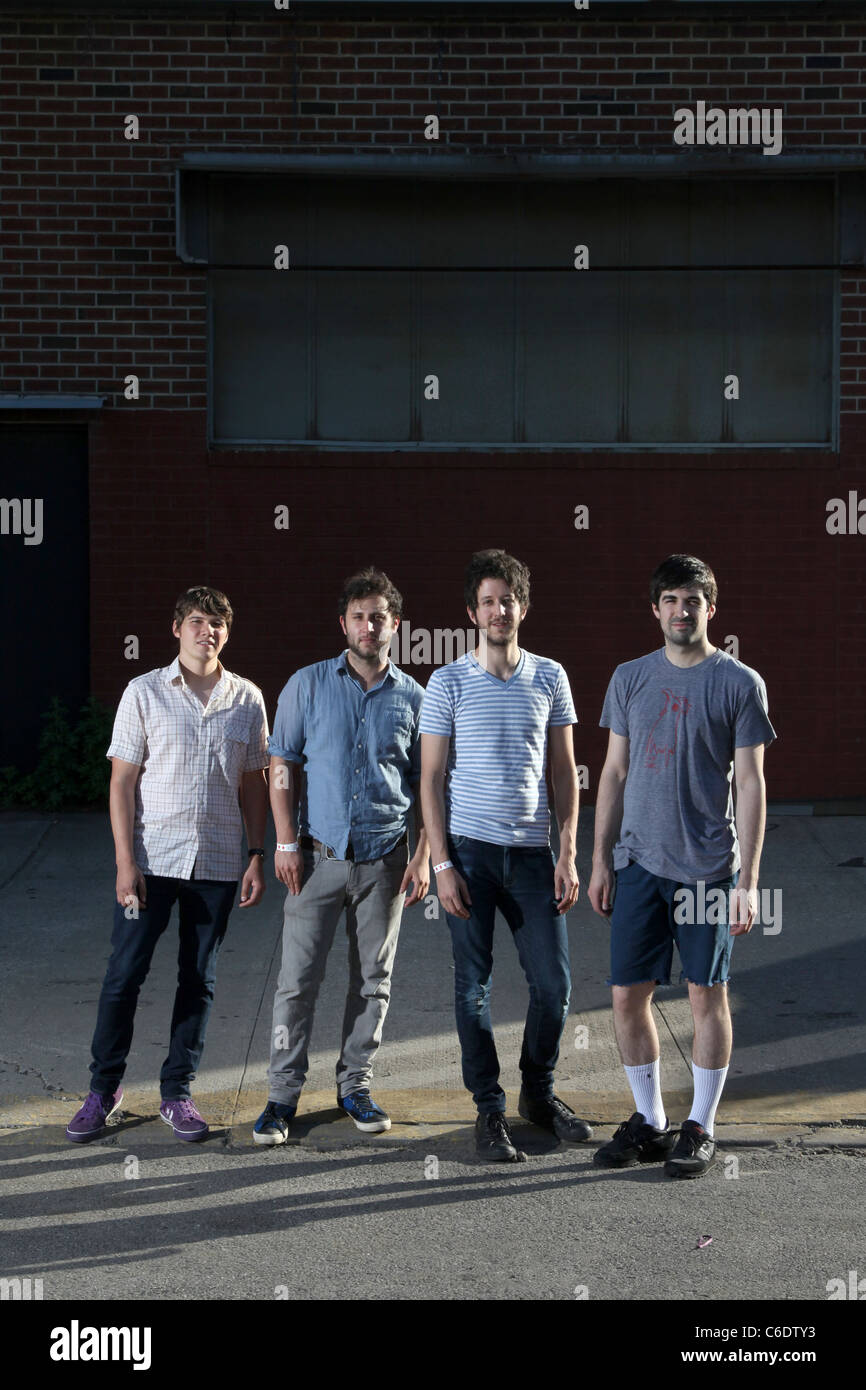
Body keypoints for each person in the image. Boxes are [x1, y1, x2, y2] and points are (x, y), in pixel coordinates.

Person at [589, 554, 776, 1178]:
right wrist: (600, 860)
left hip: (708, 870)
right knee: (625, 997)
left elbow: (750, 784)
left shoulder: (739, 683)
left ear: (710, 608)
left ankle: (701, 1125)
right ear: (655, 610)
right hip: (639, 864)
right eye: (670, 600)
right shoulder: (629, 678)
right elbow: (612, 773)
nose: (680, 611)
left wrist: (748, 882)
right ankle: (650, 1120)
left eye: (692, 600)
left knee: (706, 995)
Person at [67, 586, 269, 1144]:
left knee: (197, 979)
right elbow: (122, 782)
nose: (209, 632)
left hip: (219, 863)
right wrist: (124, 862)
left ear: (227, 633)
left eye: (219, 624)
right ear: (177, 628)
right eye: (199, 622)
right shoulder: (145, 692)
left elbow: (254, 785)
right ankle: (103, 1089)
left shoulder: (247, 698)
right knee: (123, 976)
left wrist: (257, 854)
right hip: (152, 864)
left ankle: (177, 1093)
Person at [419, 548, 592, 1162]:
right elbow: (432, 778)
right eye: (488, 601)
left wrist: (568, 853)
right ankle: (489, 1109)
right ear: (472, 612)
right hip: (469, 855)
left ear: (524, 606)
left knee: (554, 985)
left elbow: (565, 774)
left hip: (531, 855)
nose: (499, 610)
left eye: (508, 600)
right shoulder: (447, 682)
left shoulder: (550, 676)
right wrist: (440, 864)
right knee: (473, 988)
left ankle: (537, 1095)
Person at [254, 567, 429, 1144]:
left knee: (372, 981)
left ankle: (356, 1084)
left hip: (385, 860)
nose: (368, 625)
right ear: (344, 623)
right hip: (317, 859)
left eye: (379, 616)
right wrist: (284, 841)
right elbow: (281, 764)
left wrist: (424, 855)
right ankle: (281, 1096)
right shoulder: (307, 684)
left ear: (394, 625)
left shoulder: (414, 697)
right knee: (296, 982)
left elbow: (430, 785)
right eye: (358, 616)